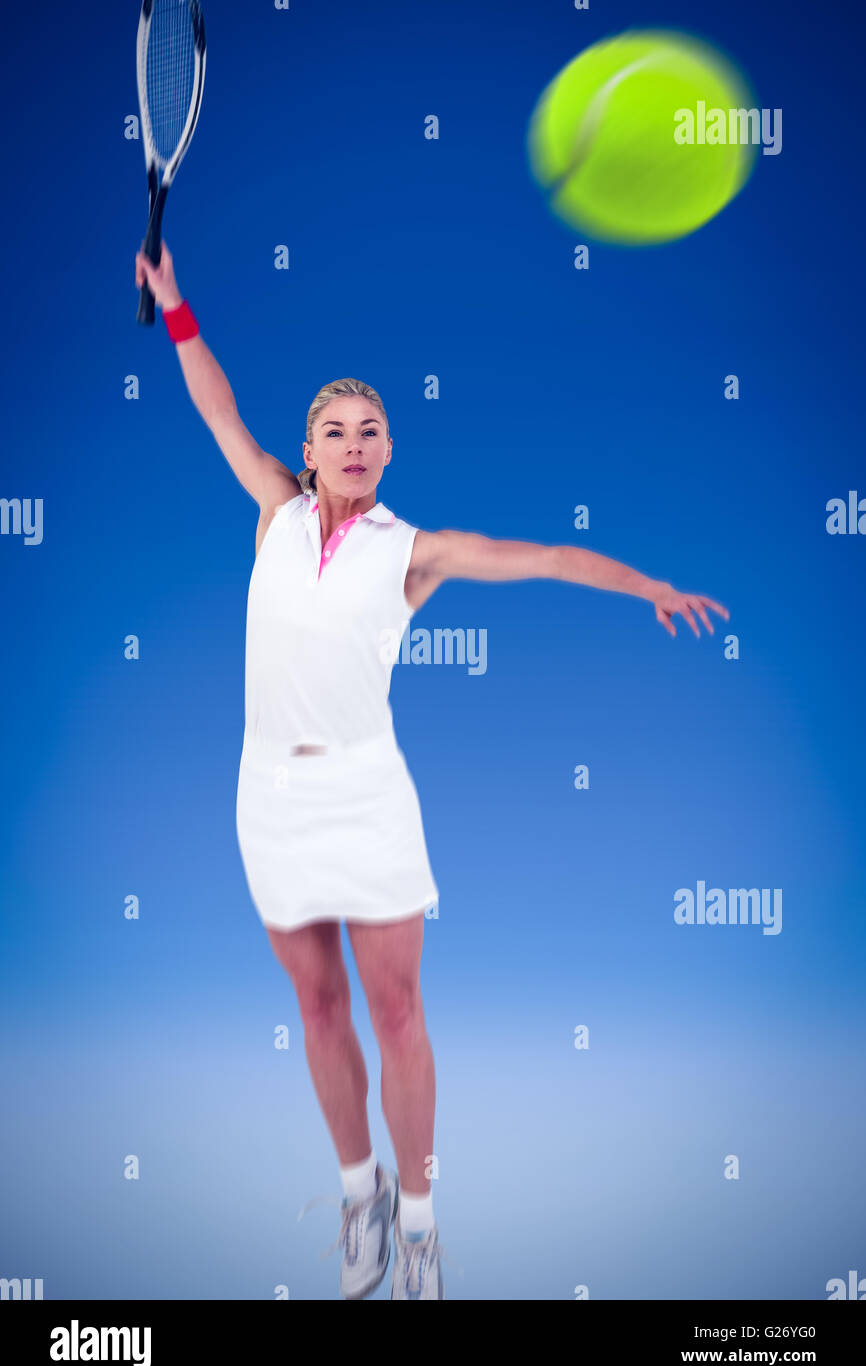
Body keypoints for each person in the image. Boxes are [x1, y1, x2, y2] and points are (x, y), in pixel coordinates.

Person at [135, 242, 730, 1301]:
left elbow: (543, 556)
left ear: (387, 452)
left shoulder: (414, 551)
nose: (353, 445)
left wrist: (645, 585)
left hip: (366, 799)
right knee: (315, 1006)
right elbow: (215, 406)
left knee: (395, 1009)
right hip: (267, 796)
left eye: (371, 432)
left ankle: (417, 1222)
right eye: (334, 431)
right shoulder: (271, 511)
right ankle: (357, 1194)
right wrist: (176, 306)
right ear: (307, 452)